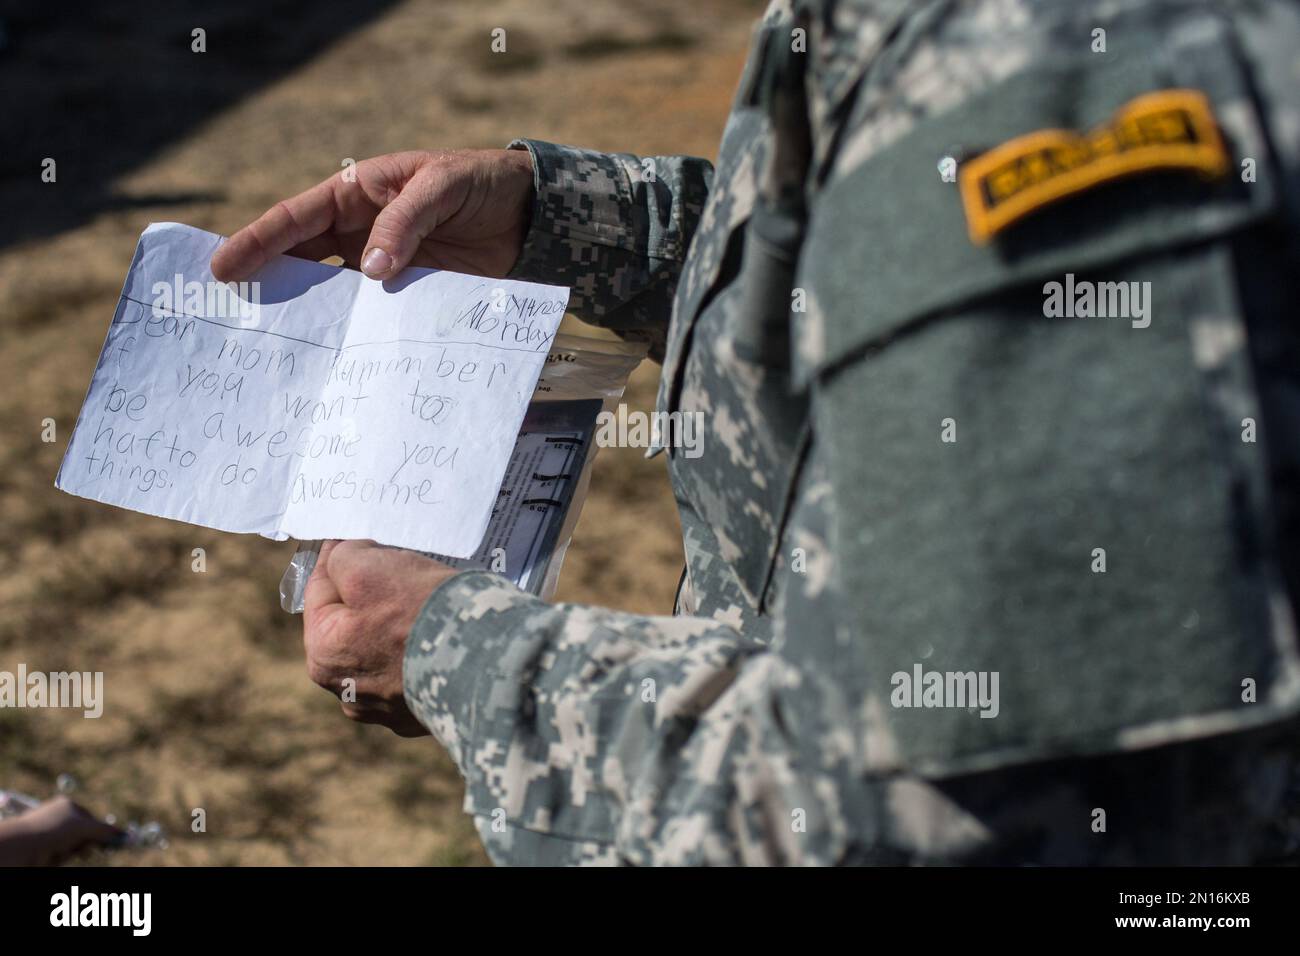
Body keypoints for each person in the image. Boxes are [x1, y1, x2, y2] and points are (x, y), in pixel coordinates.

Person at [211, 0, 1300, 865]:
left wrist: (451, 654)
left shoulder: (1075, 61)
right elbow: (868, 249)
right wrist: (573, 220)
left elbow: (926, 817)